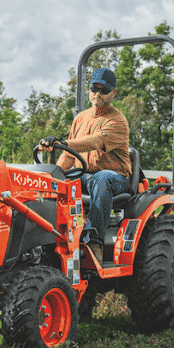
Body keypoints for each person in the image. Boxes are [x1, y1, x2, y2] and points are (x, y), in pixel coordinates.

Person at [41, 68, 131, 261]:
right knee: (54, 182)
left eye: (103, 90)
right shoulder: (80, 118)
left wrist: (62, 143)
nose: (97, 94)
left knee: (101, 178)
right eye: (94, 88)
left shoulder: (117, 121)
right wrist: (52, 177)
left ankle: (94, 242)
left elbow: (96, 141)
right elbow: (68, 156)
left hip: (116, 178)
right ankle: (51, 237)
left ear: (113, 92)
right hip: (85, 175)